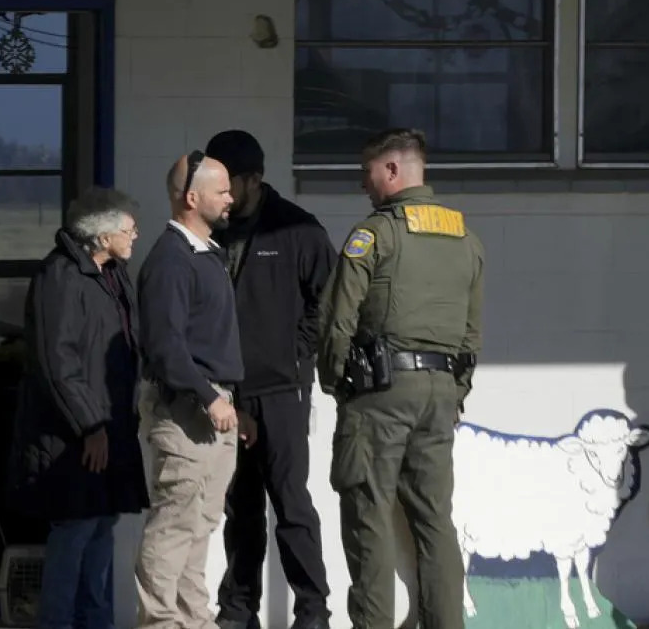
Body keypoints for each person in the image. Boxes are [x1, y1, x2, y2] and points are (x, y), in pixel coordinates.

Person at [316, 128, 484, 629]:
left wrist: (335, 381)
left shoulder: (376, 233)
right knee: (434, 523)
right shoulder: (466, 238)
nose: (363, 185)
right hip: (439, 395)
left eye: (367, 173)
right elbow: (472, 335)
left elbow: (338, 317)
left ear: (392, 169)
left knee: (369, 519)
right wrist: (456, 392)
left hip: (380, 393)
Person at [203, 130, 335, 629]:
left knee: (291, 503)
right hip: (226, 395)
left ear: (254, 179)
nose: (221, 193)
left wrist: (295, 356)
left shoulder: (297, 230)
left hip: (281, 392)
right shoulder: (211, 229)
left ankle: (313, 611)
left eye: (227, 183)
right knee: (240, 507)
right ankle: (238, 610)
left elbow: (330, 303)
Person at [6, 186, 150, 629]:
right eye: (128, 228)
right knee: (75, 532)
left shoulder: (111, 275)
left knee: (101, 528)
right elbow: (58, 361)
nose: (135, 235)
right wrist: (91, 426)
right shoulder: (61, 277)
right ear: (103, 236)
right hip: (74, 436)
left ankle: (95, 622)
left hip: (108, 426)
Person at [135, 151, 247, 629]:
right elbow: (164, 346)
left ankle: (193, 621)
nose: (231, 198)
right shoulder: (171, 260)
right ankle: (161, 623)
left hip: (213, 412)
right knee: (174, 526)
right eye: (222, 190)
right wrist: (208, 396)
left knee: (199, 527)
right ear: (191, 196)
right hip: (186, 414)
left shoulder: (206, 256)